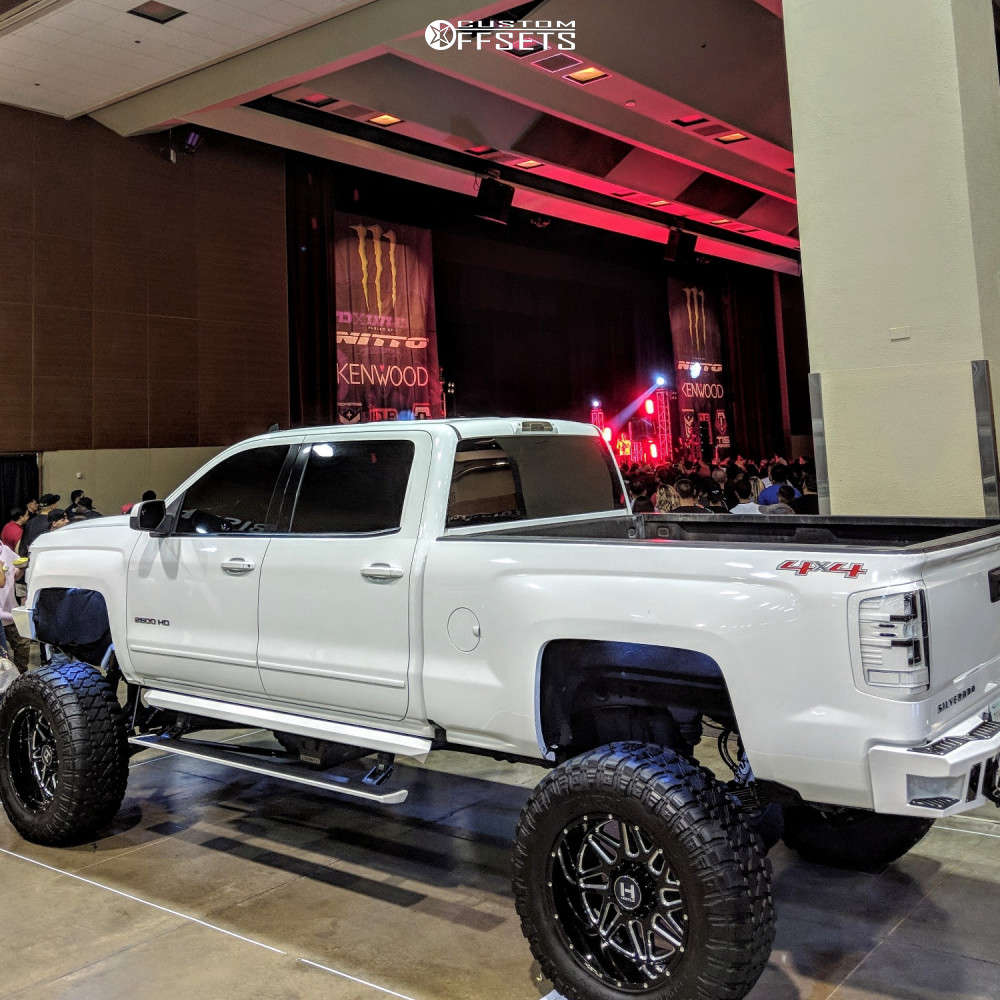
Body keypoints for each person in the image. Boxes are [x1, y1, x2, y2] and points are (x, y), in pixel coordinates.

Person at [0, 540, 30, 673]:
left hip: (10, 611)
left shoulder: (5, 550)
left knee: (23, 647)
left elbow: (15, 575)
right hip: (6, 615)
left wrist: (22, 568)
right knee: (3, 657)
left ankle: (18, 677)